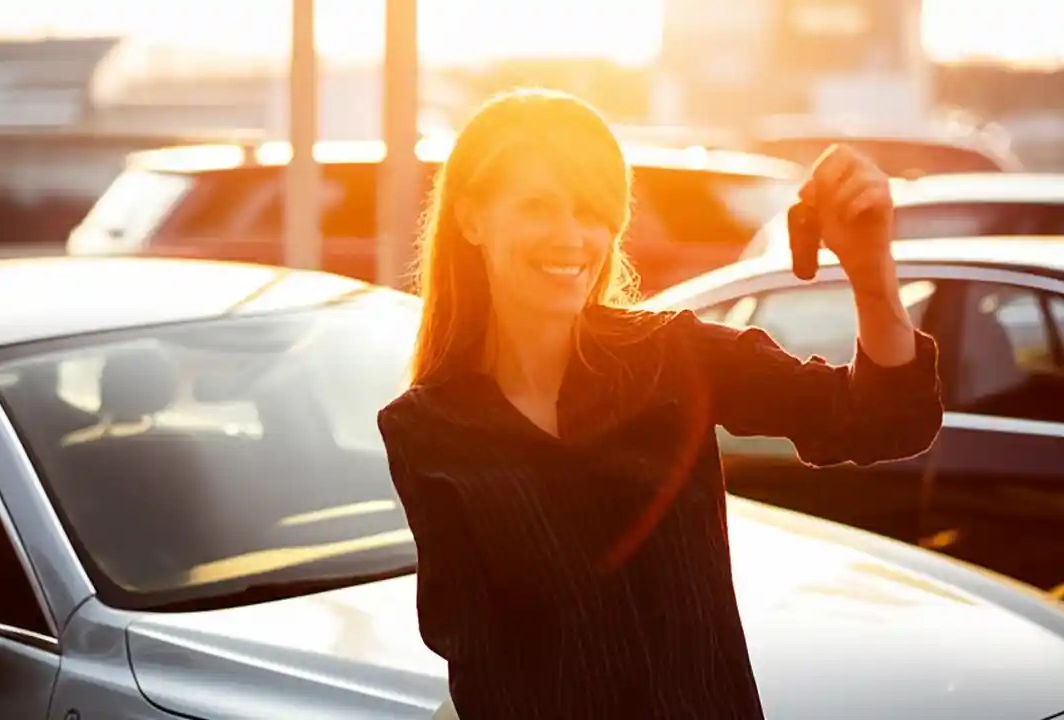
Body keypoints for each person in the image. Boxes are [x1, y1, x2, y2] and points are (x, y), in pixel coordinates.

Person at [377, 88, 943, 719]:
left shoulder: (675, 356)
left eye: (591, 210)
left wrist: (871, 273)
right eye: (539, 205)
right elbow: (484, 676)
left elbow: (881, 421)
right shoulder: (426, 431)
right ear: (472, 218)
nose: (571, 236)